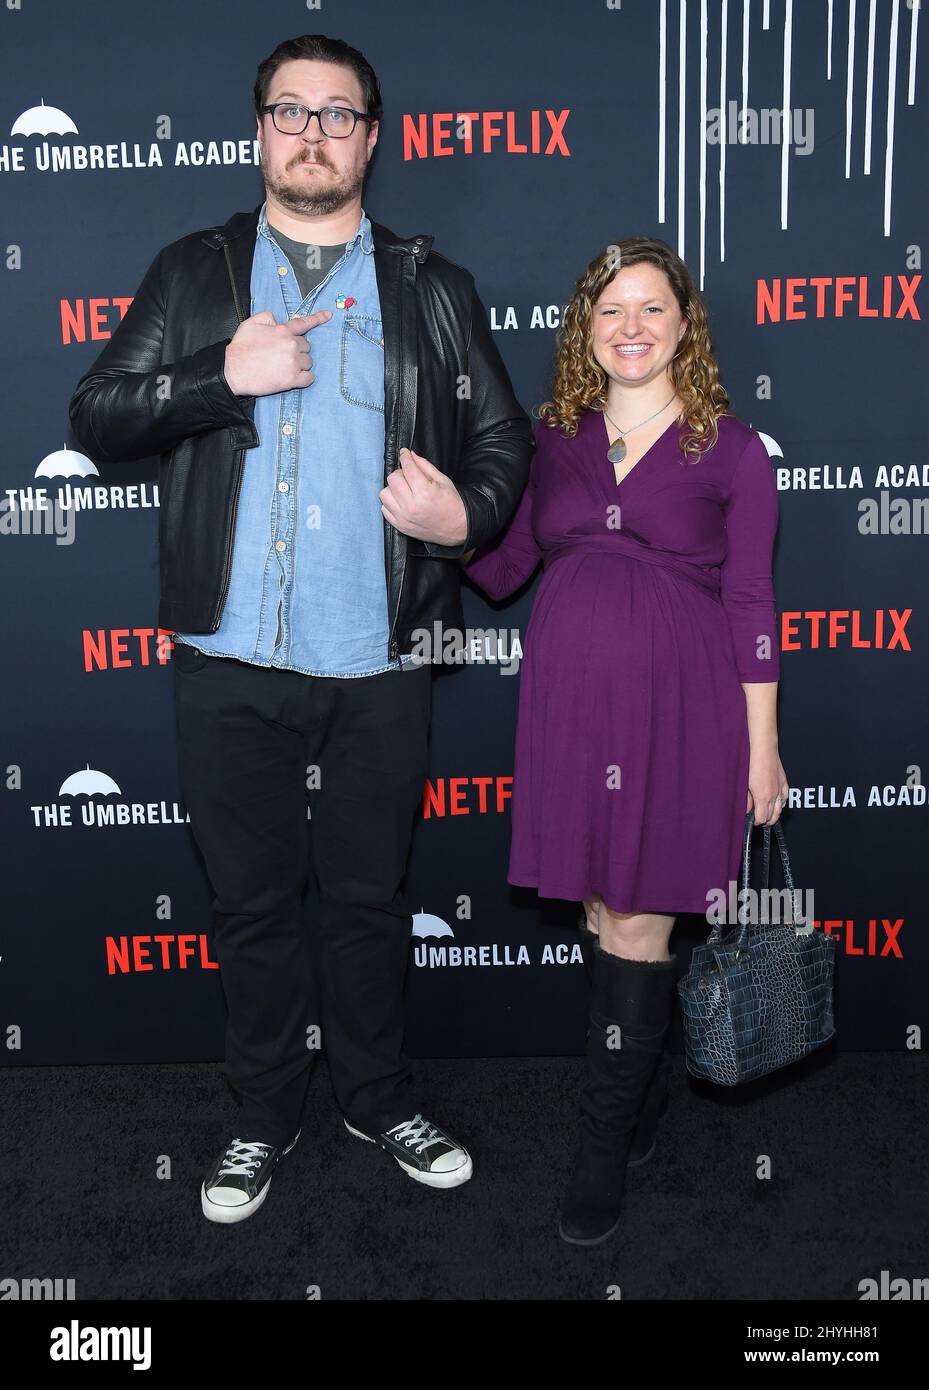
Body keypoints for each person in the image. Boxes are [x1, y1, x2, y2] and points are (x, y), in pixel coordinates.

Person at [68, 33, 533, 1223]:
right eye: (290, 110)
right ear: (260, 131)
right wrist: (220, 374)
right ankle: (261, 1111)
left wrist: (463, 517)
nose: (313, 133)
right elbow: (100, 410)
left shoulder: (431, 284)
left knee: (372, 897)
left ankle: (377, 1096)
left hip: (382, 656)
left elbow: (505, 442)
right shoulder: (194, 269)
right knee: (253, 904)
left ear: (373, 137)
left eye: (338, 114)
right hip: (229, 655)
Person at [462, 236, 788, 1246]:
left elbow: (750, 601)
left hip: (682, 711)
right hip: (567, 711)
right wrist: (441, 523)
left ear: (683, 326)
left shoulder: (728, 448)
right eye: (611, 309)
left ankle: (599, 1146)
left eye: (651, 307)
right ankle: (641, 1094)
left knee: (639, 921)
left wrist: (762, 746)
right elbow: (503, 564)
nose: (631, 327)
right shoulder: (548, 436)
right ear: (584, 328)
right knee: (602, 914)